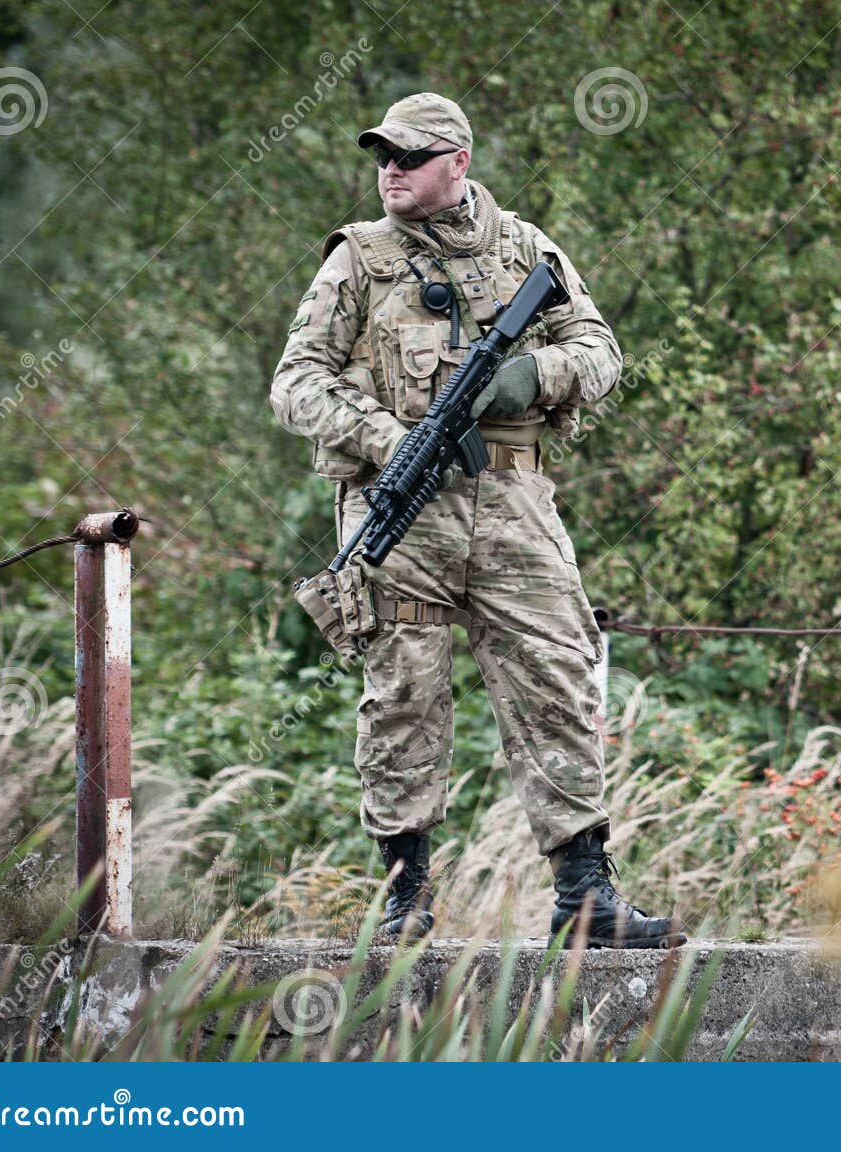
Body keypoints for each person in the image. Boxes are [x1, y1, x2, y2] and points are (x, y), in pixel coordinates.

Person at [269, 92, 684, 949]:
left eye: (409, 156)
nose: (390, 170)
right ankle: (405, 899)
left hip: (513, 504)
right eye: (381, 155)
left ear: (458, 162)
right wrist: (386, 438)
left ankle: (585, 898)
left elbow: (601, 354)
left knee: (557, 678)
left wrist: (532, 376)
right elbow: (295, 383)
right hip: (399, 508)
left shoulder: (527, 249)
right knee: (402, 698)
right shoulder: (358, 260)